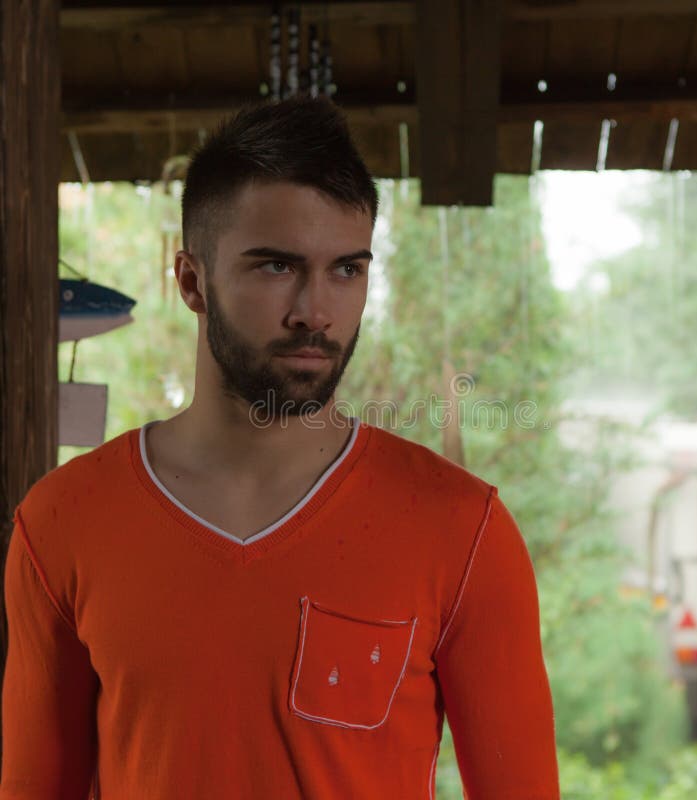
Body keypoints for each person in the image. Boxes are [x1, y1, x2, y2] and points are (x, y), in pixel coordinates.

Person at [0, 97, 559, 799]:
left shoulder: (463, 529)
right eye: (275, 267)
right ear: (191, 281)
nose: (315, 312)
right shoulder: (62, 521)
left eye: (346, 270)